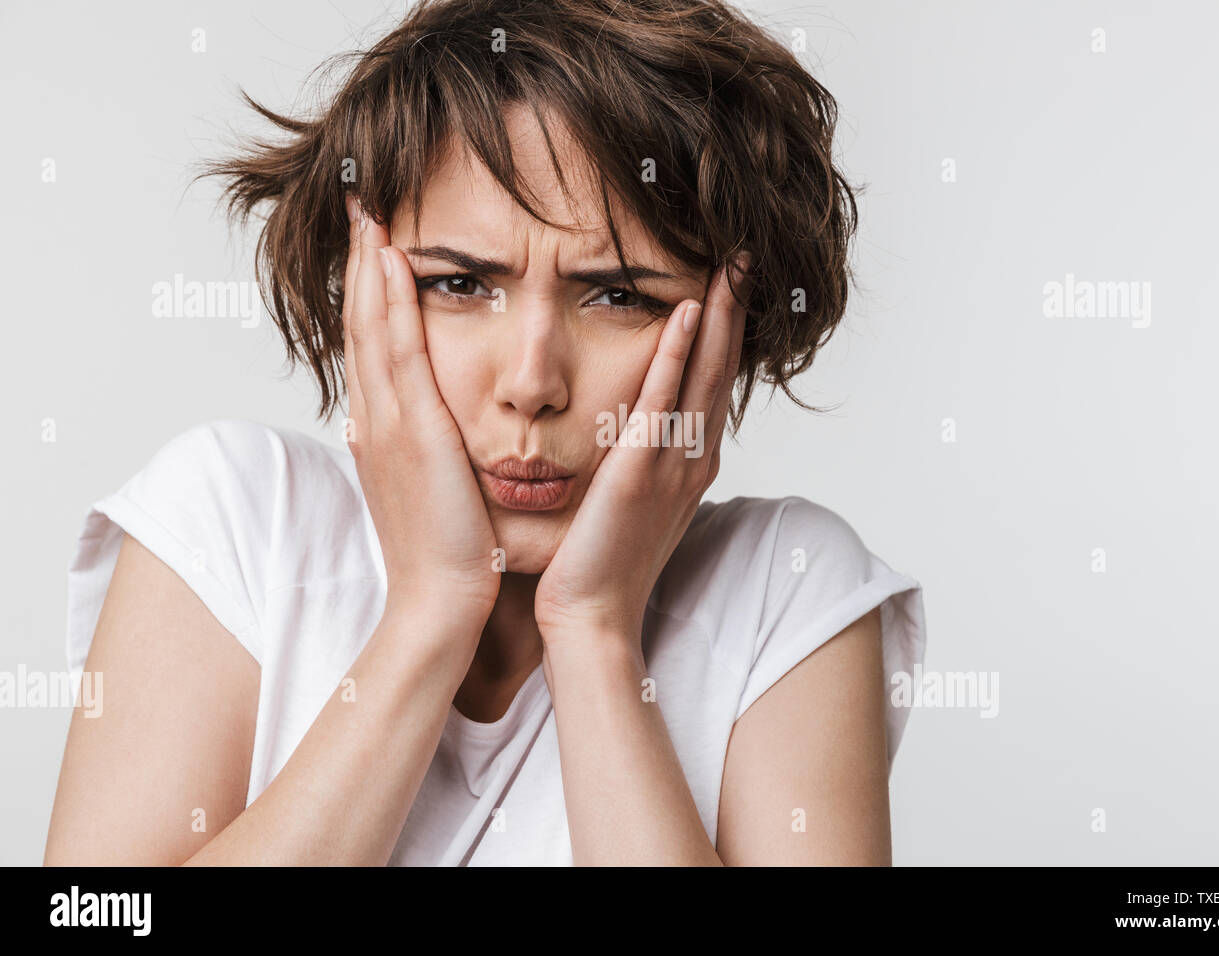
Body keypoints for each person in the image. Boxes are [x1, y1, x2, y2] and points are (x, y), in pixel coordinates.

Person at [45, 0, 926, 866]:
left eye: (620, 295)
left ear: (730, 331)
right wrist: (431, 612)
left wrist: (595, 633)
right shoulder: (235, 520)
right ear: (365, 289)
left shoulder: (789, 589)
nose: (532, 383)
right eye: (462, 284)